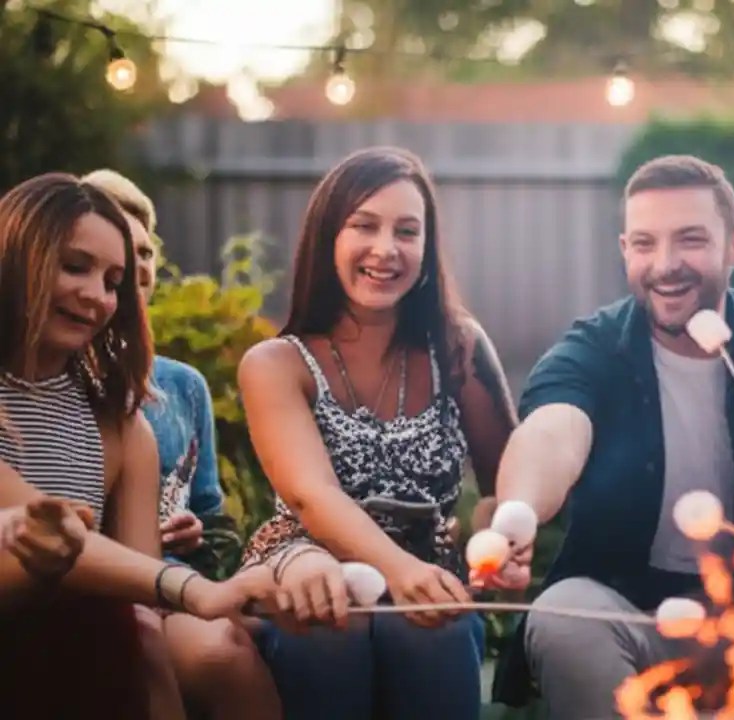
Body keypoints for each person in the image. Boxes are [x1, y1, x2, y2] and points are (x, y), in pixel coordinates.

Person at [485, 154, 734, 718]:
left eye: (689, 241)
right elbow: (553, 432)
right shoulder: (592, 348)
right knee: (562, 614)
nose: (665, 265)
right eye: (644, 244)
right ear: (624, 251)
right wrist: (517, 514)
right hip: (625, 613)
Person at [0, 172, 336, 719]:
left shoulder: (125, 428)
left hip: (71, 643)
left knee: (124, 627)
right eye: (75, 266)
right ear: (18, 256)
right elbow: (19, 506)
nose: (98, 297)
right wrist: (195, 591)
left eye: (113, 281)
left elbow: (141, 610)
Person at [238, 146, 515, 720]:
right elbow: (311, 496)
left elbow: (501, 486)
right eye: (364, 225)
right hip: (307, 567)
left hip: (430, 571)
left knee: (431, 635)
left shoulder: (457, 345)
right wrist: (398, 570)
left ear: (426, 248)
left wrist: (500, 543)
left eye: (407, 232)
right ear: (326, 238)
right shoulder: (275, 364)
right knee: (329, 631)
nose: (386, 250)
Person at [80, 168, 282, 720]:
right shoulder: (58, 376)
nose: (137, 266)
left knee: (299, 637)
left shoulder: (181, 386)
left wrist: (195, 537)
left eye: (145, 253)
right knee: (223, 651)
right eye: (122, 251)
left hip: (180, 583)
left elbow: (218, 527)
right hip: (106, 591)